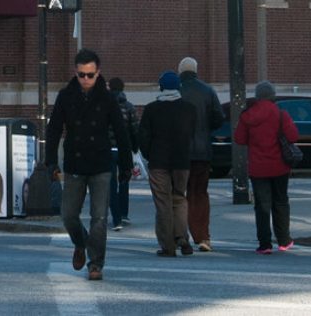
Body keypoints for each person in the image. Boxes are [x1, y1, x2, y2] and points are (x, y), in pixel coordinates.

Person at [44, 47, 134, 283]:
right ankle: (81, 242)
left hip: (101, 163)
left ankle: (96, 264)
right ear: (76, 72)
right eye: (81, 74)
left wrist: (126, 164)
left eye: (90, 75)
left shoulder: (107, 98)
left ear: (98, 73)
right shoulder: (66, 96)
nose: (85, 79)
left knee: (99, 218)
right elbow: (54, 130)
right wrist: (51, 162)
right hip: (75, 163)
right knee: (68, 215)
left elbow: (121, 132)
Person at [137, 69, 198, 257]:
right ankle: (182, 238)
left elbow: (143, 137)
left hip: (158, 161)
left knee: (163, 203)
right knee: (179, 198)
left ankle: (167, 245)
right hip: (181, 161)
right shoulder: (189, 109)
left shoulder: (151, 109)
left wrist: (149, 154)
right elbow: (192, 134)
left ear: (161, 87)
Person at [234, 80, 299, 253]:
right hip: (279, 166)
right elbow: (293, 136)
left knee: (262, 205)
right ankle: (284, 240)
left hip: (258, 167)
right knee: (281, 201)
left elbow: (239, 139)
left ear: (257, 97)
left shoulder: (248, 115)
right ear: (272, 96)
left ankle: (265, 244)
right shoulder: (281, 114)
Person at [174, 55, 226, 251]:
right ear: (196, 70)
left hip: (180, 152)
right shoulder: (207, 90)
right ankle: (203, 236)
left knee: (179, 195)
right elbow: (219, 117)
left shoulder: (176, 90)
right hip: (202, 151)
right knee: (200, 194)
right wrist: (205, 129)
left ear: (180, 71)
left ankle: (181, 235)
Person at [107, 77, 138, 229]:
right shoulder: (129, 107)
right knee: (124, 180)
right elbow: (135, 130)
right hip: (124, 150)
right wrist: (135, 147)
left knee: (111, 184)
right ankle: (124, 213)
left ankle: (116, 218)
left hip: (108, 150)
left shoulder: (104, 106)